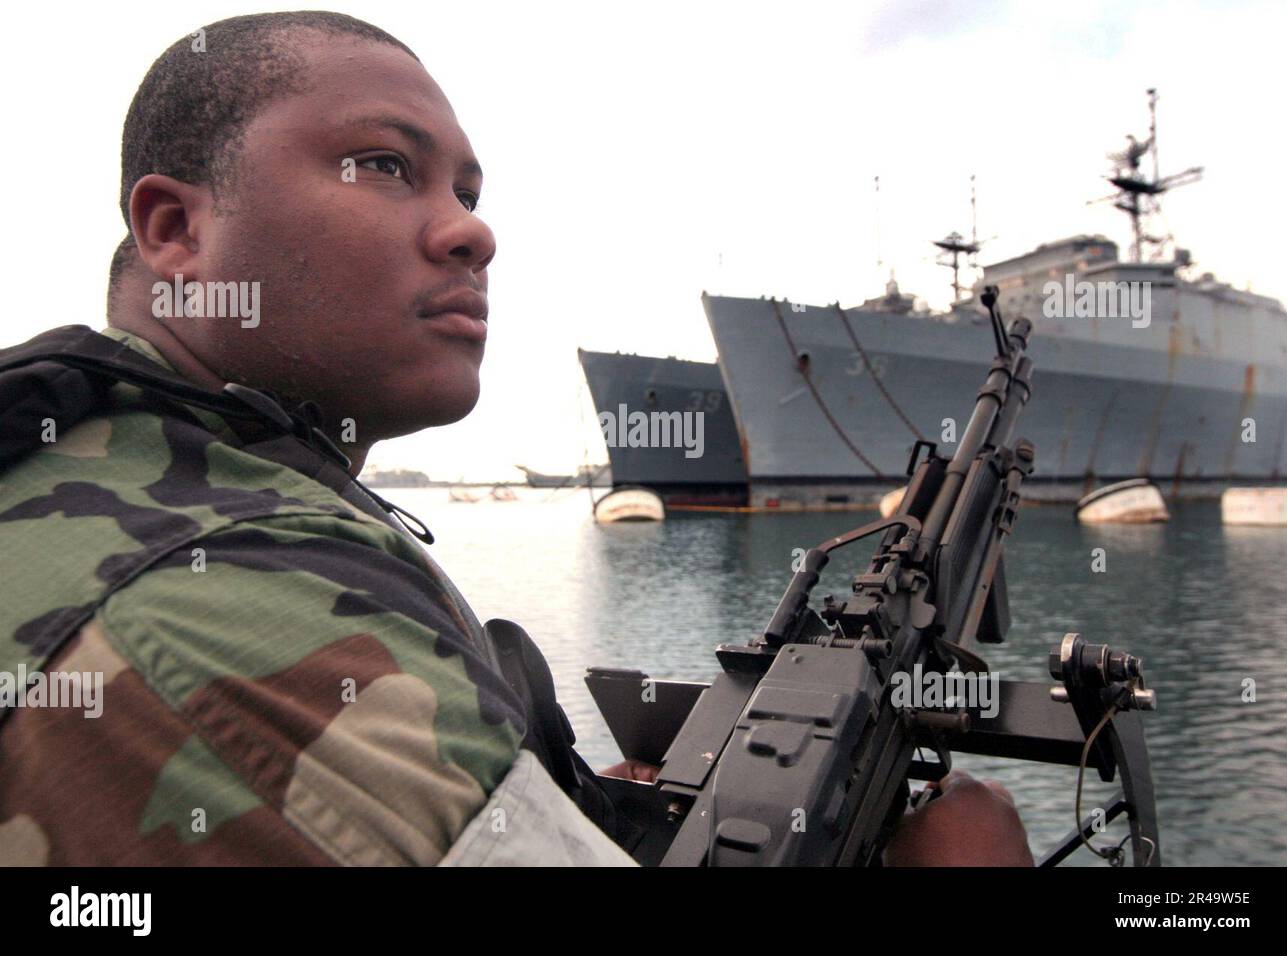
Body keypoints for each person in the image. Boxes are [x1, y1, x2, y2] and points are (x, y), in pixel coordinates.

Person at [0, 11, 1032, 866]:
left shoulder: (102, 468)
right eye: (383, 164)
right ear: (178, 231)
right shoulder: (230, 607)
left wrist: (568, 811)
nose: (471, 230)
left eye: (467, 191)